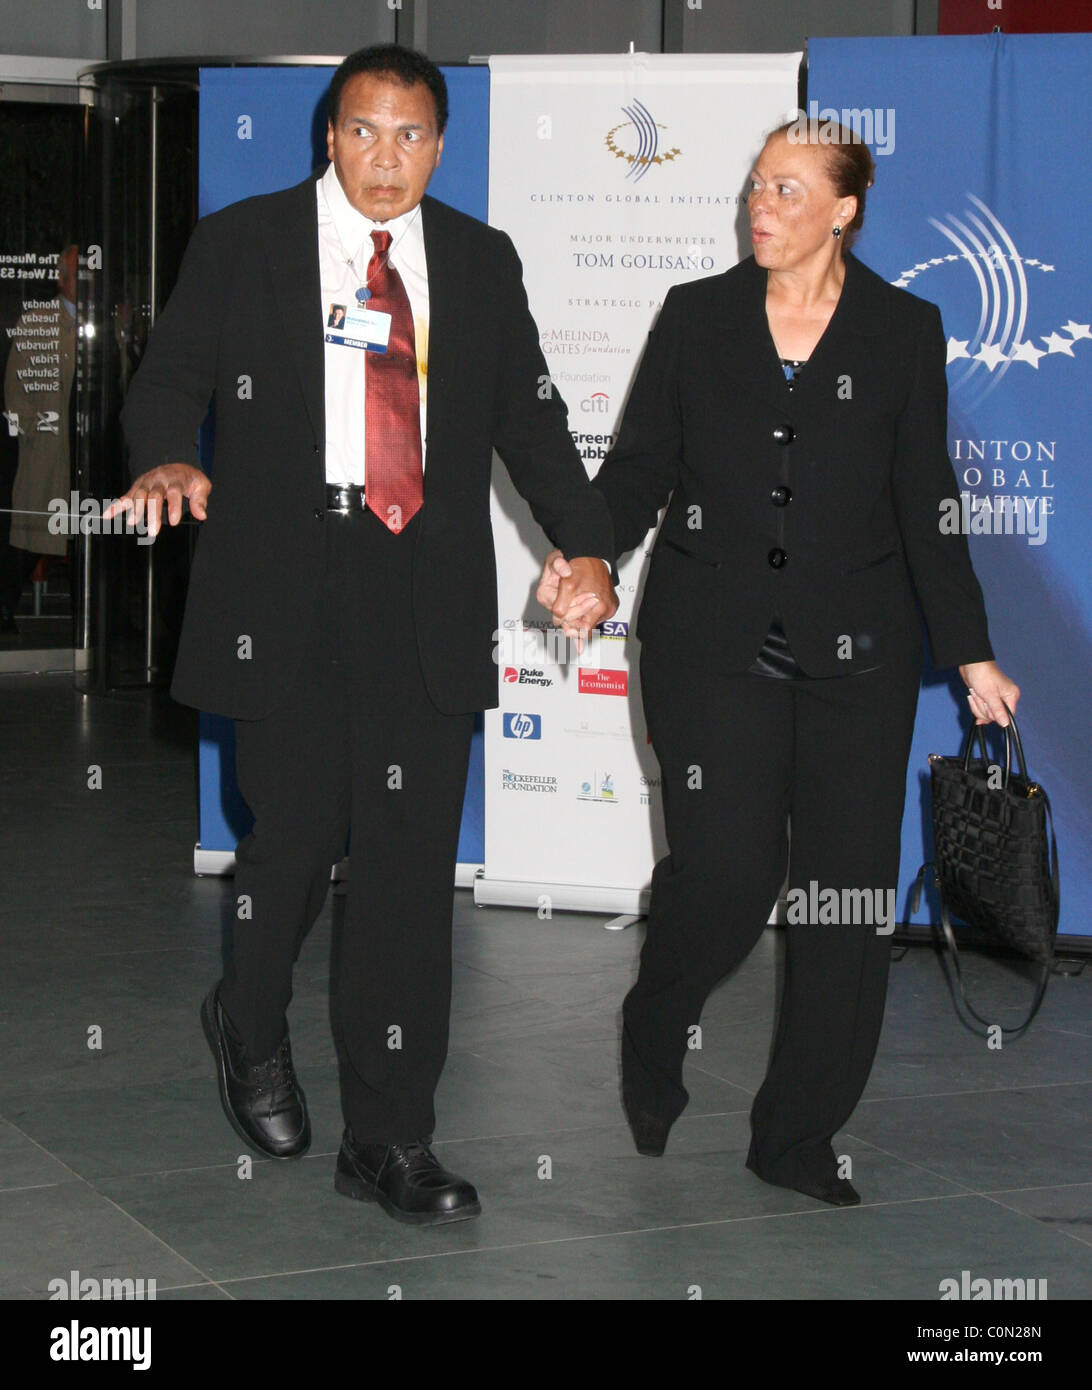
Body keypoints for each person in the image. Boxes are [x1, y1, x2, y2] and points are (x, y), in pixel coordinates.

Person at [110, 44, 617, 1227]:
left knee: (401, 876)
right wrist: (166, 454)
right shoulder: (244, 244)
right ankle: (248, 1019)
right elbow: (167, 375)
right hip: (282, 582)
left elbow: (532, 422)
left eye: (408, 136)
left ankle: (390, 1139)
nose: (384, 159)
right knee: (289, 846)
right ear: (327, 136)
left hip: (424, 590)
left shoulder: (481, 263)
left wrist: (584, 543)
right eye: (361, 132)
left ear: (438, 145)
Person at [539, 119, 1019, 1206]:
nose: (762, 206)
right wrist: (588, 559)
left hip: (861, 654)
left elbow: (926, 503)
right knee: (729, 873)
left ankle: (797, 1133)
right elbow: (639, 472)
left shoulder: (903, 328)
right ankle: (656, 1017)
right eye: (758, 186)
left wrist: (972, 648)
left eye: (790, 191)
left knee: (845, 896)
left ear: (845, 209)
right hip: (713, 644)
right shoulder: (699, 317)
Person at [1, 245, 78, 636]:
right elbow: (15, 391)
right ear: (61, 279)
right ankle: (4, 602)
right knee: (31, 531)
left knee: (89, 528)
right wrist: (33, 430)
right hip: (48, 447)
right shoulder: (38, 323)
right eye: (78, 273)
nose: (86, 282)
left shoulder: (99, 324)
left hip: (86, 446)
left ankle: (98, 616)